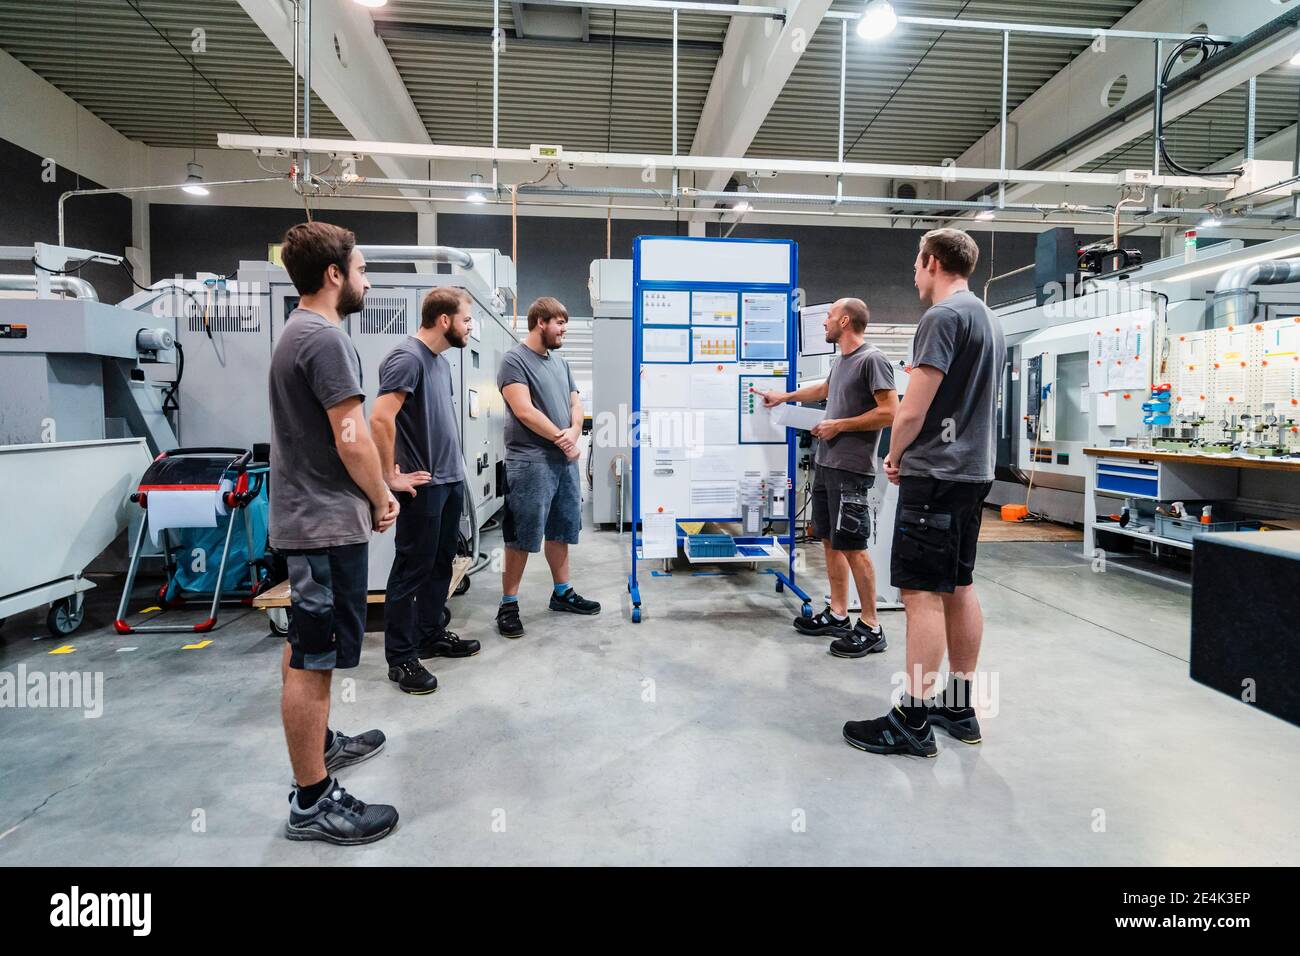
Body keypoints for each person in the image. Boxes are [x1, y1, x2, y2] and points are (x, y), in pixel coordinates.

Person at [843, 228, 1005, 758]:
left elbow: (911, 408)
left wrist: (894, 455)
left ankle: (911, 718)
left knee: (919, 593)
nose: (914, 273)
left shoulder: (941, 317)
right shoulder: (986, 317)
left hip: (934, 473)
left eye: (917, 263)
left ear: (932, 261)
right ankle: (957, 706)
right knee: (958, 584)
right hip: (972, 472)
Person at [269, 221, 400, 843]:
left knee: (311, 647)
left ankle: (321, 746)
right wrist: (381, 493)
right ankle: (312, 800)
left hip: (316, 519)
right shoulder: (322, 338)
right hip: (322, 524)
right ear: (334, 275)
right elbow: (351, 438)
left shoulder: (303, 332)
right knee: (313, 656)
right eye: (363, 269)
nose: (367, 280)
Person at [760, 298, 898, 657]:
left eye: (829, 317)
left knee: (853, 546)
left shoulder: (872, 359)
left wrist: (840, 424)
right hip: (828, 464)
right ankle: (839, 613)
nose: (824, 323)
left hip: (852, 468)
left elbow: (889, 411)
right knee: (830, 542)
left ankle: (871, 625)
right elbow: (823, 391)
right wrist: (785, 396)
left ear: (846, 320)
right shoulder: (842, 361)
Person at [370, 287, 479, 695]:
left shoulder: (439, 363)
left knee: (440, 564)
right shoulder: (407, 357)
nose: (470, 327)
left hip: (448, 481)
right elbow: (380, 419)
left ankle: (431, 634)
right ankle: (400, 659)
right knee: (411, 569)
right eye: (467, 320)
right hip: (422, 486)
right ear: (445, 320)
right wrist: (389, 476)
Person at [495, 296, 600, 637]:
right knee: (522, 536)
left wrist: (572, 432)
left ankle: (562, 593)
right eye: (559, 323)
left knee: (561, 529)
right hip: (530, 463)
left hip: (562, 461)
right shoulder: (514, 360)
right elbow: (523, 410)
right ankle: (508, 604)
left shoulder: (560, 363)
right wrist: (563, 438)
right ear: (541, 321)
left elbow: (575, 401)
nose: (564, 330)